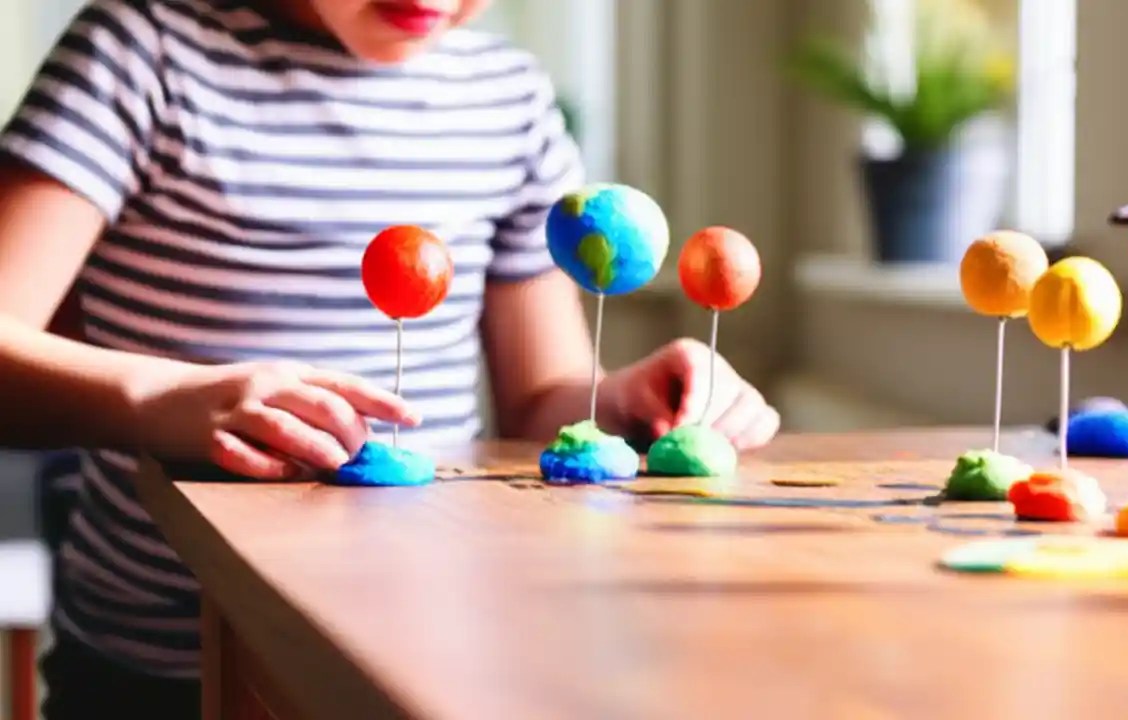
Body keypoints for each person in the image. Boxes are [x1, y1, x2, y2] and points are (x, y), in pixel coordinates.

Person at [0, 1, 781, 717]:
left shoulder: (506, 99)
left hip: (420, 655)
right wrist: (158, 399)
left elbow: (542, 398)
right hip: (168, 668)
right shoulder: (143, 54)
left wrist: (623, 402)